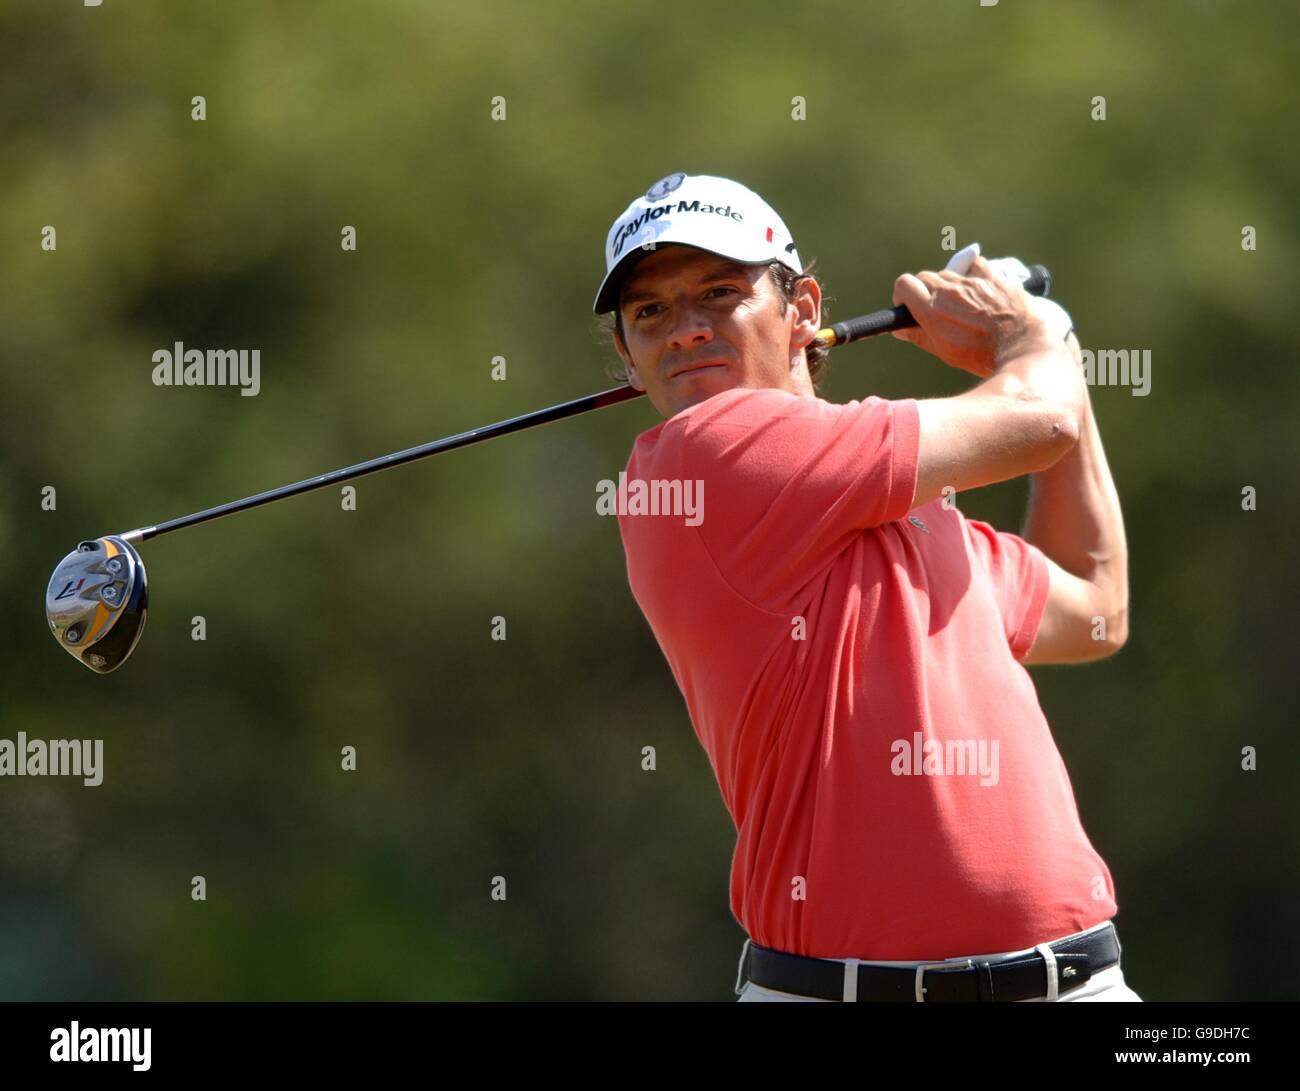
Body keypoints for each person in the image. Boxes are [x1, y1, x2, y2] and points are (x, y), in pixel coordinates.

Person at [592, 172, 1137, 1002]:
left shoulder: (915, 515)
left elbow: (1097, 609)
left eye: (720, 292)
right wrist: (1031, 338)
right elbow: (1039, 419)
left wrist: (1048, 354)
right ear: (628, 360)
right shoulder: (700, 461)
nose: (685, 330)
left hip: (1077, 980)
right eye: (651, 312)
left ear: (803, 310)